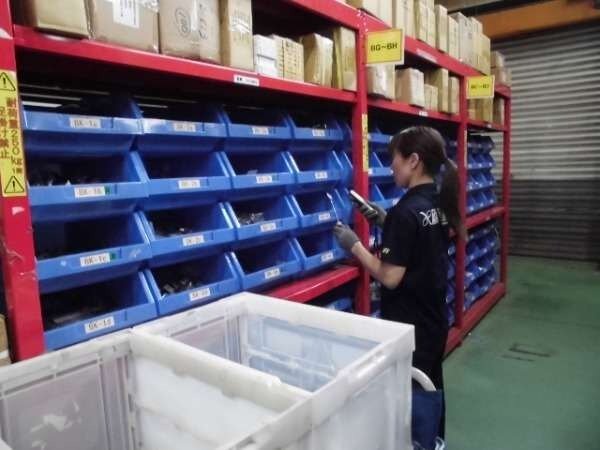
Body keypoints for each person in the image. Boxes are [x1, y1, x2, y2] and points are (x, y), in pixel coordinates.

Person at [334, 126, 465, 437]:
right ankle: (435, 440)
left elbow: (390, 277)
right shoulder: (438, 202)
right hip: (434, 319)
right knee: (431, 386)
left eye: (394, 157)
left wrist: (354, 246)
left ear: (413, 161)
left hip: (410, 327)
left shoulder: (406, 212)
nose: (391, 164)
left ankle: (417, 442)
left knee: (410, 399)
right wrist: (385, 221)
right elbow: (420, 242)